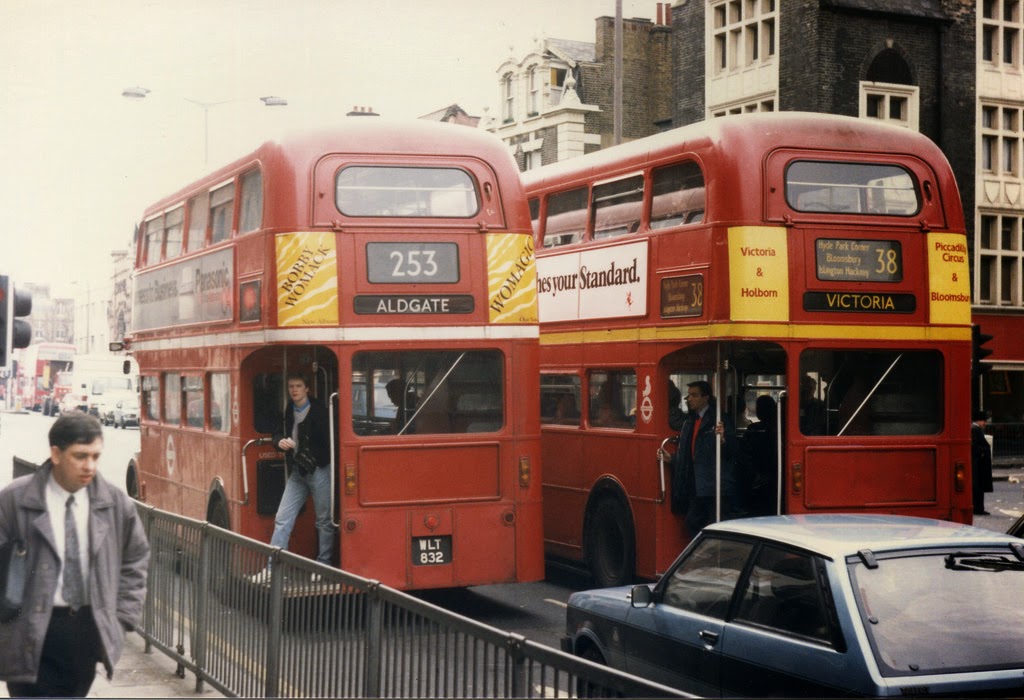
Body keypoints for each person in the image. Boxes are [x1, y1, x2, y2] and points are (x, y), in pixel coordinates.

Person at [0, 412, 150, 697]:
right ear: (56, 454)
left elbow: (136, 559)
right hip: (29, 632)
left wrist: (121, 618)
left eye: (95, 456)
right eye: (80, 456)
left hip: (85, 634)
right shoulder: (15, 500)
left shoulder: (115, 504)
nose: (89, 466)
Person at [254, 372, 334, 580]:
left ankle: (323, 565)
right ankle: (273, 569)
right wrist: (279, 441)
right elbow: (278, 432)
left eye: (298, 385)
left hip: (319, 471)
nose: (294, 390)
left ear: (307, 389)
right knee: (282, 518)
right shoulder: (289, 409)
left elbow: (330, 442)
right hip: (298, 473)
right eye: (291, 386)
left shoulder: (320, 411)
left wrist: (312, 458)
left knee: (324, 520)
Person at [670, 380, 739, 535]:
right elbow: (690, 451)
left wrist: (723, 440)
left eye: (694, 395)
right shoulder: (691, 420)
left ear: (705, 398)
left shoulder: (718, 419)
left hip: (715, 484)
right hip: (698, 483)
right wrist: (673, 459)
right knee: (692, 522)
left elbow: (733, 450)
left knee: (714, 524)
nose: (690, 399)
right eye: (689, 395)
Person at [739, 395, 779, 516]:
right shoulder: (779, 427)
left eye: (760, 408)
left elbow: (744, 453)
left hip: (758, 475)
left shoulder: (754, 429)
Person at [971, 410, 994, 516]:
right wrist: (982, 453)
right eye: (984, 421)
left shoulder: (975, 429)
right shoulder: (975, 429)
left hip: (978, 462)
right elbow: (974, 445)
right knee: (979, 486)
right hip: (978, 463)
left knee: (978, 486)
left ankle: (978, 507)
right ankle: (978, 508)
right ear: (979, 421)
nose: (985, 423)